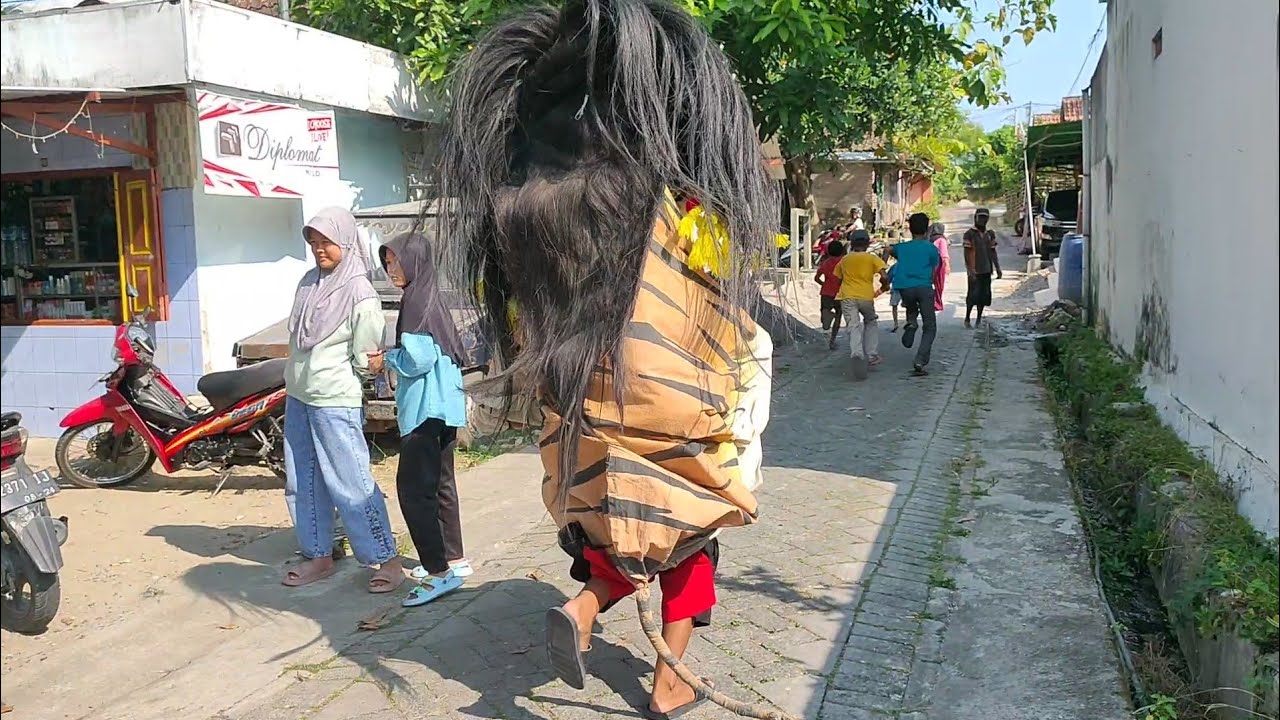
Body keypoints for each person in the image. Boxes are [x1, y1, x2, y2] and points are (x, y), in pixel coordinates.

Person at [432, 0, 776, 716]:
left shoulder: (550, 262)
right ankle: (669, 676)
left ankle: (587, 607)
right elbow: (717, 312)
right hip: (672, 414)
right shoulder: (692, 216)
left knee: (610, 539)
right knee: (689, 544)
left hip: (585, 426)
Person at [281, 207, 403, 592]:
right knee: (304, 480)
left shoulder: (360, 293)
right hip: (299, 395)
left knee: (350, 481)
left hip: (334, 399)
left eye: (327, 242)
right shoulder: (307, 283)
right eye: (314, 243)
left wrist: (359, 370)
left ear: (347, 242)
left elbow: (366, 356)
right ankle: (319, 554)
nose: (319, 250)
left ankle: (387, 559)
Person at [369, 233, 472, 608]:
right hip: (446, 407)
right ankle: (455, 561)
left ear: (413, 261)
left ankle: (438, 573)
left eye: (394, 261)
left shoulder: (414, 300)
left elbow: (419, 359)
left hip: (425, 409)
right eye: (386, 262)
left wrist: (387, 360)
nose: (389, 269)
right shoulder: (432, 296)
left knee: (413, 492)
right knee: (442, 485)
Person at [890, 212, 941, 376]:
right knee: (930, 326)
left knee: (911, 308)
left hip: (905, 288)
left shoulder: (901, 248)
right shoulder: (931, 249)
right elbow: (935, 268)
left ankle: (911, 322)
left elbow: (889, 250)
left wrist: (884, 269)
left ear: (910, 229)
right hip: (924, 287)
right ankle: (920, 360)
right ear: (927, 230)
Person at [833, 229, 888, 379]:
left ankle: (856, 353)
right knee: (870, 321)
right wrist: (884, 285)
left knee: (853, 326)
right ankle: (871, 355)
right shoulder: (872, 258)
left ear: (851, 243)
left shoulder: (845, 259)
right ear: (868, 243)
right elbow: (884, 275)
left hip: (847, 296)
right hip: (866, 296)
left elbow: (837, 278)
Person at [962, 208, 1002, 327]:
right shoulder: (969, 234)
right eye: (980, 217)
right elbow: (966, 253)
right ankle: (967, 318)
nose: (983, 220)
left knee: (983, 296)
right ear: (976, 218)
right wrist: (970, 270)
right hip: (975, 270)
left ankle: (979, 319)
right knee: (972, 295)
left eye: (985, 217)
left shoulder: (990, 234)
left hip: (987, 270)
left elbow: (993, 252)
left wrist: (997, 268)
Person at [815, 240, 846, 347]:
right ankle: (832, 341)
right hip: (840, 293)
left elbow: (816, 278)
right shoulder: (844, 262)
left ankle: (828, 316)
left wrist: (824, 284)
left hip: (826, 292)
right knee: (839, 316)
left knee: (824, 314)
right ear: (842, 251)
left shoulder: (825, 263)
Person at [929, 222, 951, 313]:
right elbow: (944, 253)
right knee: (939, 284)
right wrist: (947, 265)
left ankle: (929, 301)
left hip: (929, 262)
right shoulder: (942, 240)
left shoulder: (929, 239)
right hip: (939, 263)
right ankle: (937, 303)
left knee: (930, 282)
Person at [886, 262, 902, 332]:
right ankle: (909, 321)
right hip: (907, 287)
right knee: (909, 305)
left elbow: (888, 277)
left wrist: (886, 285)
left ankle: (896, 323)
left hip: (896, 287)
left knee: (894, 306)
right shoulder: (909, 264)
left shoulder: (894, 266)